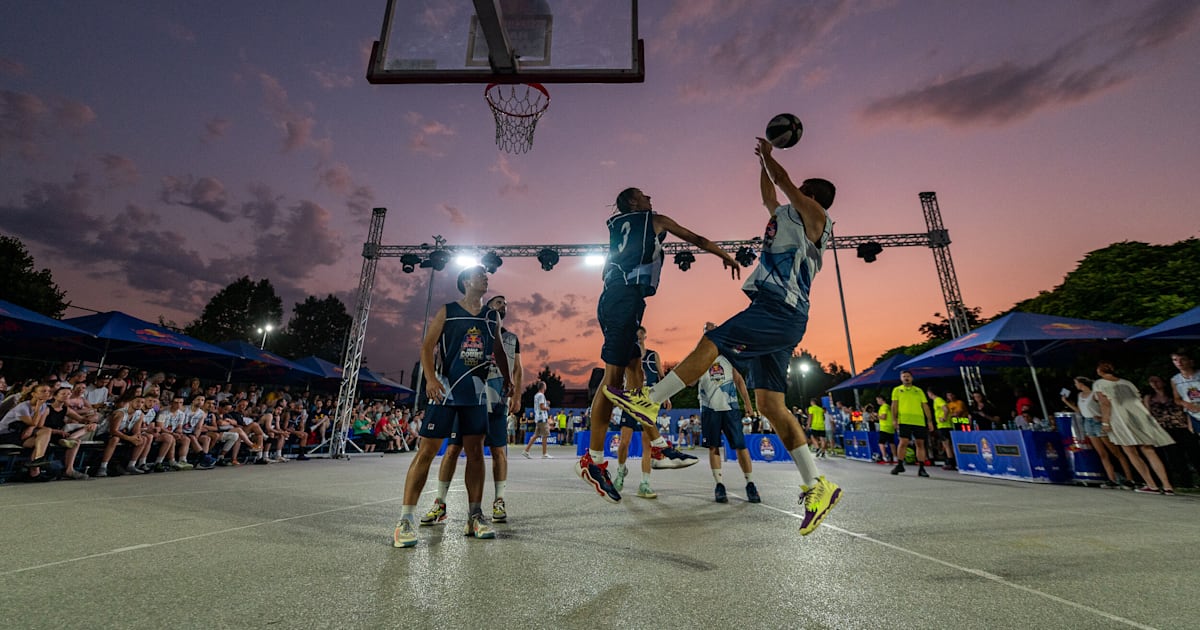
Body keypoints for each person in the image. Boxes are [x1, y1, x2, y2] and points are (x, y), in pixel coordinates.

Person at [604, 138, 841, 535]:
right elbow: (770, 195)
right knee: (771, 406)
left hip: (779, 309)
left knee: (712, 342)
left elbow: (784, 184)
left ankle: (651, 401)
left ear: (811, 195)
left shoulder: (817, 216)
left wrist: (772, 158)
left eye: (802, 190)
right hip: (777, 313)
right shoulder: (787, 216)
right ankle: (817, 484)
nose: (794, 193)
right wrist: (761, 165)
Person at [577, 184, 737, 504]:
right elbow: (696, 238)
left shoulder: (620, 226)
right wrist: (724, 255)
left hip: (619, 299)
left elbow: (627, 255)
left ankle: (658, 445)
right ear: (634, 202)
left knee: (636, 374)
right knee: (613, 381)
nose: (650, 197)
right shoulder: (654, 219)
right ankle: (592, 461)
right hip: (623, 300)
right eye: (644, 195)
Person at [393, 266, 511, 548]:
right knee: (427, 452)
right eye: (480, 274)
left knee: (475, 453)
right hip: (446, 391)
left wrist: (508, 380)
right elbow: (427, 347)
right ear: (466, 281)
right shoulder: (448, 311)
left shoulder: (491, 315)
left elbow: (498, 350)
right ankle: (405, 519)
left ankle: (474, 515)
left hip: (476, 394)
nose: (486, 278)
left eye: (486, 275)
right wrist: (431, 378)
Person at [422, 295, 522, 527]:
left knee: (498, 451)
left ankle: (498, 501)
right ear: (487, 308)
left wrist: (516, 395)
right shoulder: (473, 328)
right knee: (452, 450)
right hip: (468, 396)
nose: (503, 306)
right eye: (498, 302)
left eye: (506, 304)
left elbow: (518, 368)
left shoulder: (511, 339)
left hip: (496, 399)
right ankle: (440, 503)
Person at [697, 323, 760, 503]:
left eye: (713, 332)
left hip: (730, 407)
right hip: (709, 408)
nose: (710, 336)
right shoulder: (698, 357)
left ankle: (750, 483)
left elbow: (739, 380)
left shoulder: (728, 354)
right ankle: (719, 485)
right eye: (707, 333)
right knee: (713, 446)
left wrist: (748, 404)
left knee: (740, 446)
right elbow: (690, 381)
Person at [1092, 361, 1175, 495]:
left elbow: (1105, 403)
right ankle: (1167, 485)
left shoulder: (1099, 384)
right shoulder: (1127, 382)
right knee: (1148, 449)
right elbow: (1138, 399)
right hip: (1139, 416)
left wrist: (1105, 422)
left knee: (1130, 451)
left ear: (1099, 371)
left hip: (1121, 418)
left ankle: (1151, 484)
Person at [1144, 374, 1196, 489]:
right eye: (1151, 381)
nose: (1154, 383)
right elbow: (1148, 414)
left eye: (1157, 381)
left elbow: (1185, 410)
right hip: (1163, 429)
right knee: (1175, 457)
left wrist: (1189, 425)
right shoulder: (1149, 397)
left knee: (1193, 453)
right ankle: (1185, 482)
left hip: (1180, 426)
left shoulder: (1173, 395)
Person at [890, 370, 932, 477]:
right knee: (903, 442)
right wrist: (894, 419)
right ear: (901, 378)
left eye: (908, 376)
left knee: (920, 443)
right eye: (904, 376)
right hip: (904, 420)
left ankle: (921, 467)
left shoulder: (918, 390)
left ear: (912, 378)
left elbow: (925, 405)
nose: (906, 378)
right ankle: (900, 464)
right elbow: (894, 405)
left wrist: (929, 421)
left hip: (919, 420)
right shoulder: (897, 390)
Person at [522, 381, 553, 459]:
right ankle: (544, 453)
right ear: (543, 387)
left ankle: (526, 451)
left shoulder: (536, 395)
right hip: (542, 418)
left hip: (538, 418)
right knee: (545, 435)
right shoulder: (541, 395)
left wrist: (546, 402)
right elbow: (542, 407)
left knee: (535, 435)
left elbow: (539, 405)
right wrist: (547, 408)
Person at [875, 395, 896, 465]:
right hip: (890, 427)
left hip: (884, 427)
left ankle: (885, 458)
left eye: (877, 400)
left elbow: (884, 417)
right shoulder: (889, 406)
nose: (877, 402)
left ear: (881, 399)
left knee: (881, 443)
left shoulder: (883, 407)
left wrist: (877, 415)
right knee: (891, 442)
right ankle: (895, 458)